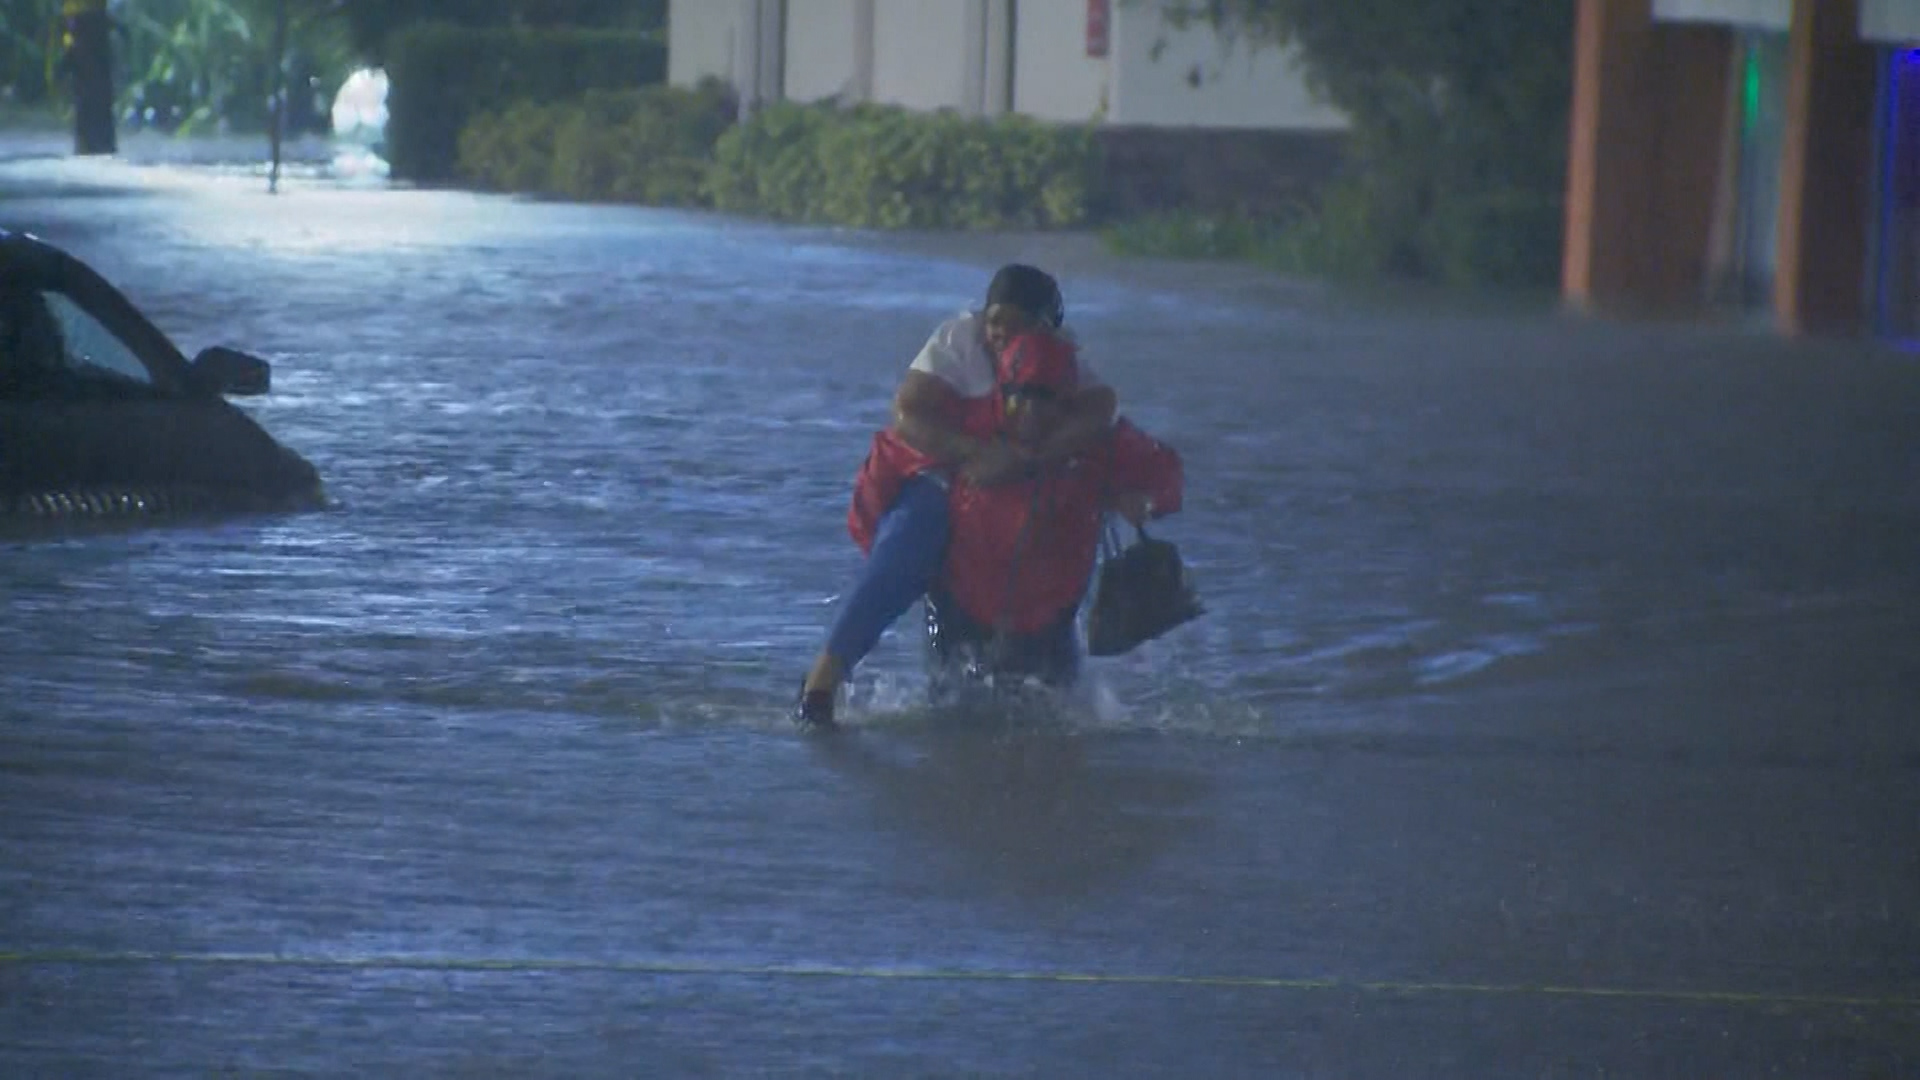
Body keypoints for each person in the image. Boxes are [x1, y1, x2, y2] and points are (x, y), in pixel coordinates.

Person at [800, 329, 1182, 730]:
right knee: (954, 729)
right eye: (1022, 393)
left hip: (1048, 624)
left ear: (1068, 400)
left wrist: (1140, 501)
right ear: (1002, 392)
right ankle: (822, 684)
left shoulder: (1096, 445)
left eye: (1046, 396)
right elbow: (880, 485)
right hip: (960, 616)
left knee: (1057, 727)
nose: (1031, 411)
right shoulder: (953, 437)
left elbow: (1166, 476)